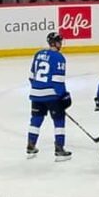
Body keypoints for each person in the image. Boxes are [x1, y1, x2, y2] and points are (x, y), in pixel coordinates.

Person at [26, 32, 72, 160]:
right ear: (55, 43)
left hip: (35, 94)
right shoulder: (59, 57)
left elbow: (31, 77)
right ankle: (59, 148)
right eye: (59, 41)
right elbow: (58, 81)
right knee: (59, 120)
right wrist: (63, 96)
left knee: (36, 119)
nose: (61, 44)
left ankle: (31, 145)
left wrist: (38, 88)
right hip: (52, 95)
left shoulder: (38, 54)